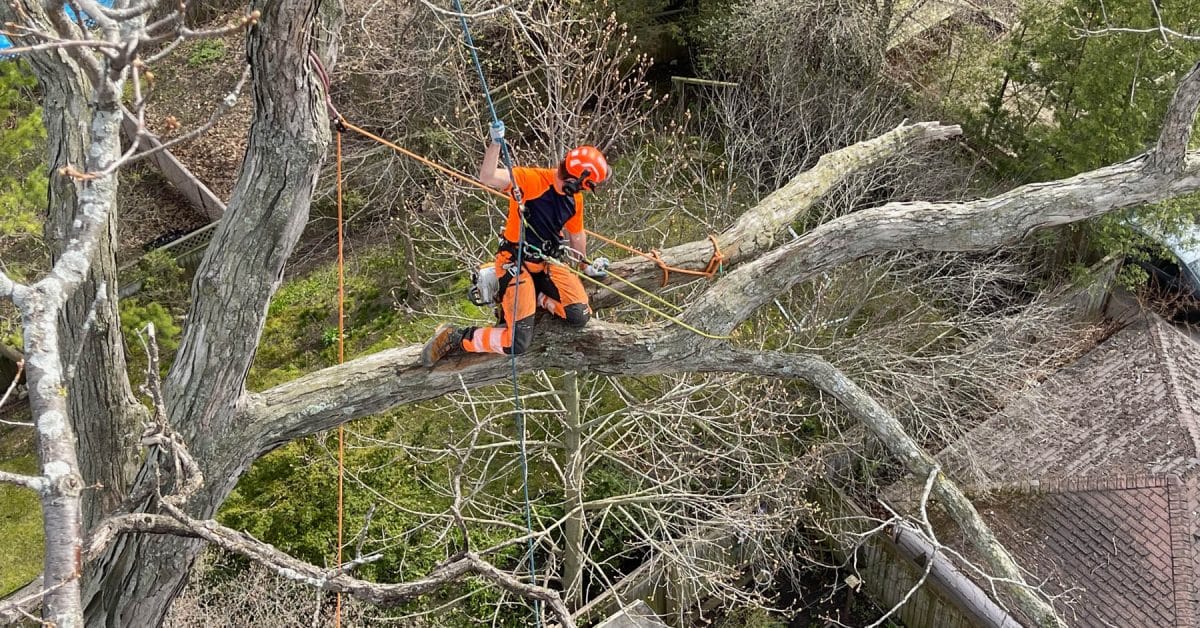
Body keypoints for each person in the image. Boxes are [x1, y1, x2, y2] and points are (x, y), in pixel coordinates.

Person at [422, 122, 611, 366]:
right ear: (576, 180)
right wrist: (495, 143)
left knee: (579, 314)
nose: (583, 191)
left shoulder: (574, 200)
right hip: (515, 263)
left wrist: (585, 265)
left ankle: (538, 296)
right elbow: (488, 176)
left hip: (547, 264)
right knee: (516, 343)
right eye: (586, 186)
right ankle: (457, 337)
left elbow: (577, 235)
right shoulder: (530, 180)